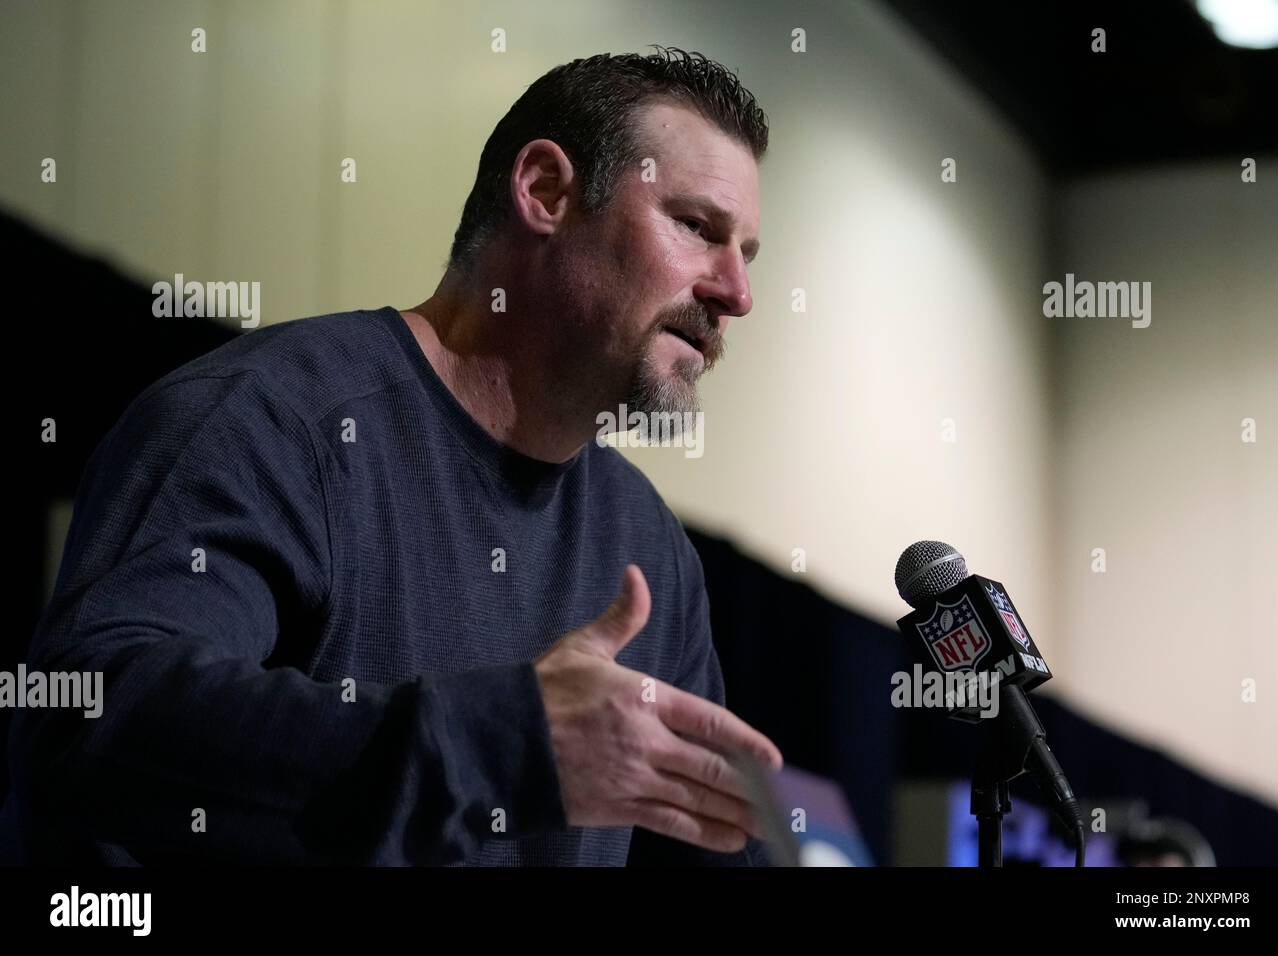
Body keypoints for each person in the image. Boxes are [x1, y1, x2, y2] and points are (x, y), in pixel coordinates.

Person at [8, 46, 782, 865]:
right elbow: (90, 719)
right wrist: (501, 744)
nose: (735, 293)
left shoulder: (648, 547)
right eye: (698, 228)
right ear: (546, 192)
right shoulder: (273, 421)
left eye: (747, 255)